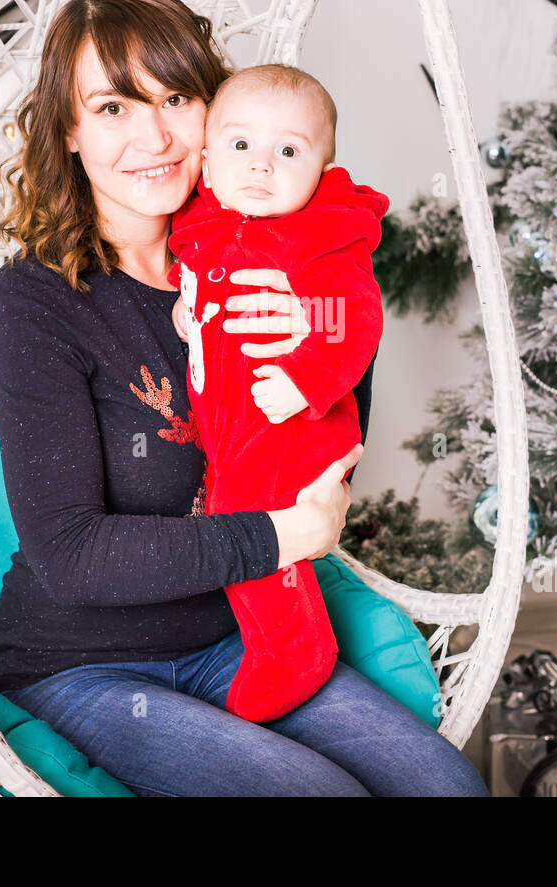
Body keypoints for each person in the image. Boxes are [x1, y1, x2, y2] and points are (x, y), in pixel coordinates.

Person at [0, 0, 489, 796]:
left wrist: (317, 339)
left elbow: (332, 448)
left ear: (213, 114)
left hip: (239, 637)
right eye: (113, 107)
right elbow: (71, 555)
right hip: (82, 662)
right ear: (69, 130)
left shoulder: (261, 259)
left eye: (176, 96)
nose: (153, 134)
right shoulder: (35, 301)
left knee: (449, 788)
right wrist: (284, 536)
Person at [165, 64, 389, 723]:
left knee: (247, 523)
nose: (260, 165)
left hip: (295, 424)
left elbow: (356, 316)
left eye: (288, 151)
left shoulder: (319, 235)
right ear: (207, 159)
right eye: (241, 146)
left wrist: (305, 374)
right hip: (237, 427)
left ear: (321, 169)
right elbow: (202, 273)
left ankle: (297, 652)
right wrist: (188, 302)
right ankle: (269, 643)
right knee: (237, 522)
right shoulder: (206, 218)